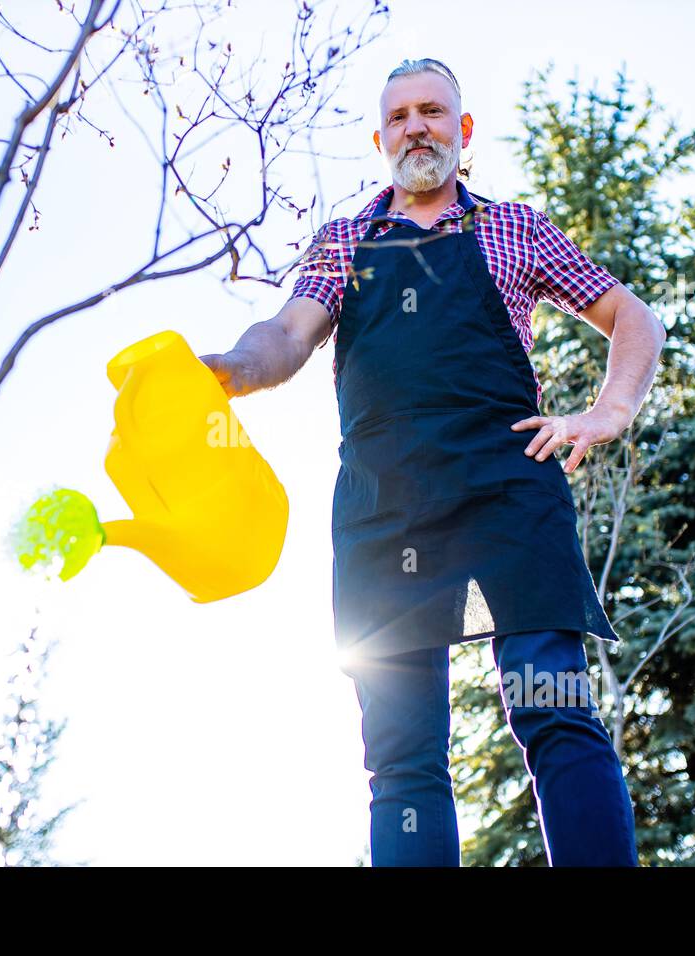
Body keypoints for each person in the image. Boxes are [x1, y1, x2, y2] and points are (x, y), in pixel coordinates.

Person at [199, 58, 665, 866]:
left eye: (434, 111)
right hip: (385, 509)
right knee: (402, 756)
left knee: (552, 707)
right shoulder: (345, 241)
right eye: (401, 116)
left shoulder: (514, 227)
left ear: (463, 130)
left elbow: (632, 316)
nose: (418, 126)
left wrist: (610, 408)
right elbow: (284, 337)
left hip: (510, 490)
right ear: (381, 139)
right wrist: (230, 370)